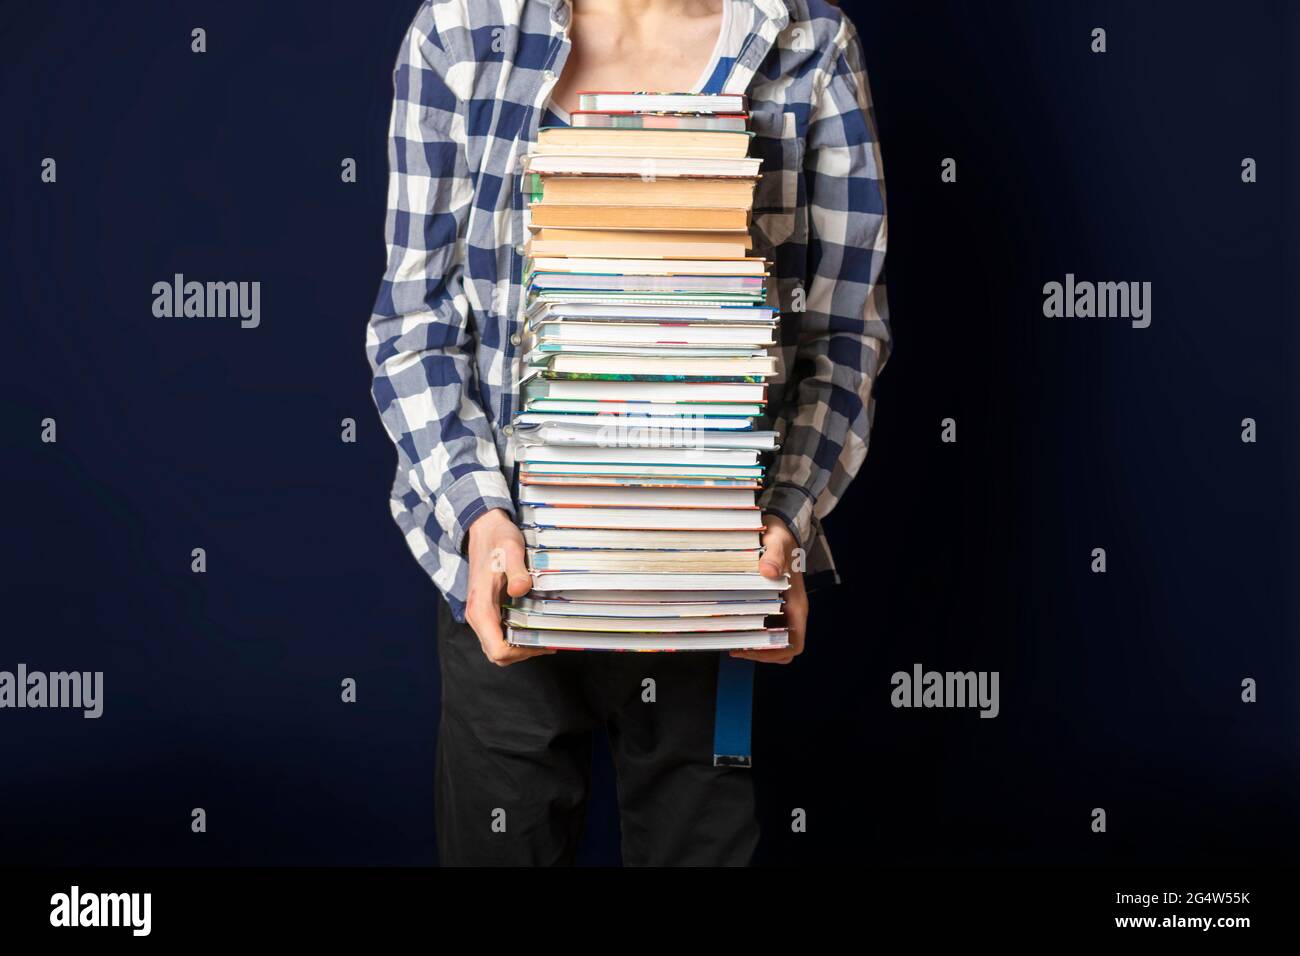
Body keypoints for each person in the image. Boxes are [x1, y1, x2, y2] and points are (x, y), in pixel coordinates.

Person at [366, 0, 890, 866]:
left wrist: (789, 516)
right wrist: (479, 518)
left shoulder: (810, 44)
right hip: (506, 565)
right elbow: (413, 322)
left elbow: (842, 334)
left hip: (713, 577)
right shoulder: (460, 31)